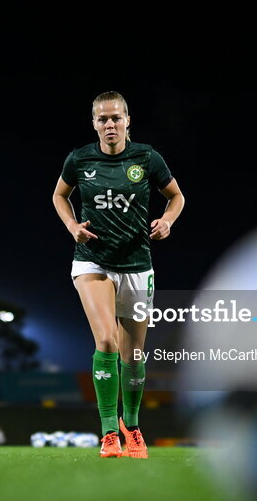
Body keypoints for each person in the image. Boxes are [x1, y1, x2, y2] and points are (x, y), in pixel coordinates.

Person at [52, 91, 185, 458]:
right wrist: (72, 226)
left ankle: (133, 426)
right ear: (93, 123)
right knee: (107, 341)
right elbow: (59, 196)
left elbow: (176, 196)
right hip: (92, 261)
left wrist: (167, 221)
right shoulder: (79, 159)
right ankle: (109, 432)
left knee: (135, 356)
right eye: (102, 119)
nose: (109, 125)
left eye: (116, 118)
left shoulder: (146, 157)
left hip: (138, 266)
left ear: (128, 120)